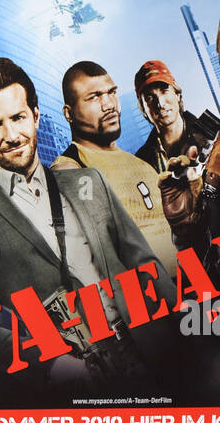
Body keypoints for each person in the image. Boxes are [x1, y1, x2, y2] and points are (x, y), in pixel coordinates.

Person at [0, 57, 179, 391]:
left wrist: (177, 344)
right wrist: (51, 364)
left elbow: (145, 264)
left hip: (147, 355)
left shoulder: (89, 181)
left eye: (18, 118)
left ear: (35, 116)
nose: (12, 135)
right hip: (73, 380)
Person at [52, 60, 177, 277]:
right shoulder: (70, 168)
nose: (109, 104)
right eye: (94, 97)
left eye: (112, 92)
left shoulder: (143, 164)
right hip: (144, 302)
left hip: (190, 291)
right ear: (69, 113)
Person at [133, 59, 214, 175]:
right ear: (143, 109)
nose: (160, 103)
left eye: (164, 91)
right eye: (150, 98)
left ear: (177, 95)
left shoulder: (214, 134)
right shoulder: (141, 162)